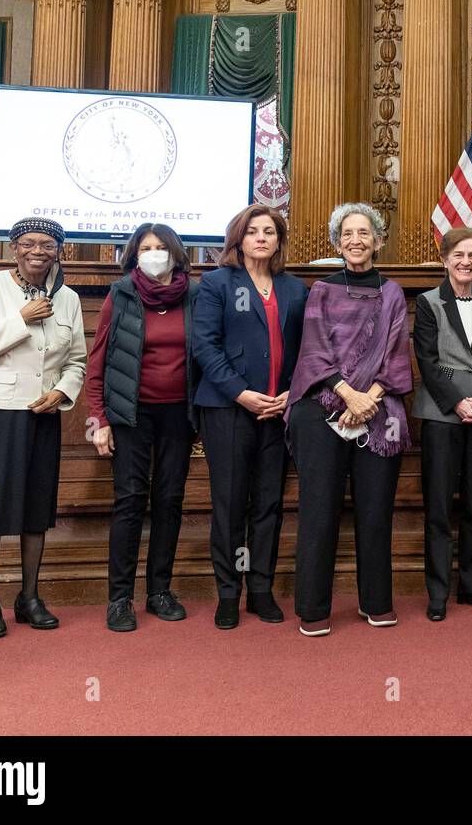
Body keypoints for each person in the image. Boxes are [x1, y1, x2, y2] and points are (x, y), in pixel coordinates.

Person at [0, 217, 86, 638]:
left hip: (41, 413)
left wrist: (62, 393)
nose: (37, 252)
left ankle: (29, 596)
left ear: (59, 251)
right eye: (28, 243)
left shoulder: (68, 298)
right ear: (13, 248)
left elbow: (76, 360)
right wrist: (20, 319)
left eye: (47, 245)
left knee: (36, 509)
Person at [286, 203, 412, 636]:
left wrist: (368, 399)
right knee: (319, 511)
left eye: (365, 233)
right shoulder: (321, 288)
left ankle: (375, 601)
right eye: (347, 234)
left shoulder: (393, 292)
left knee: (375, 512)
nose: (356, 240)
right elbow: (314, 352)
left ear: (378, 240)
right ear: (336, 242)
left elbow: (397, 357)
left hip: (380, 415)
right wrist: (347, 394)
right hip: (321, 408)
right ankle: (313, 609)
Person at [193, 204, 307, 629]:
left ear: (279, 240)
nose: (262, 237)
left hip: (280, 410)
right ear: (238, 238)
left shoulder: (295, 289)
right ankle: (228, 592)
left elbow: (307, 350)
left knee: (269, 503)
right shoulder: (217, 284)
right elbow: (205, 347)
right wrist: (242, 394)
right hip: (229, 409)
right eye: (253, 231)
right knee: (230, 502)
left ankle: (260, 588)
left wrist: (290, 392)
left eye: (270, 231)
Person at [85, 223, 198, 632]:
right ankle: (119, 599)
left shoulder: (195, 295)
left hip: (178, 415)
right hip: (130, 414)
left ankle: (159, 592)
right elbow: (97, 362)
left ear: (175, 253)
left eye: (161, 247)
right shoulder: (121, 295)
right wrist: (98, 419)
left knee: (169, 500)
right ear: (134, 254)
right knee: (130, 502)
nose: (154, 253)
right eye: (146, 247)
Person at [413, 227, 472, 622]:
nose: (466, 262)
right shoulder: (428, 302)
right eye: (459, 255)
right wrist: (458, 402)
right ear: (445, 259)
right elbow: (427, 361)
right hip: (442, 414)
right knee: (438, 505)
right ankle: (438, 592)